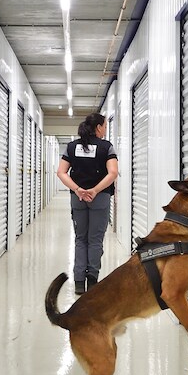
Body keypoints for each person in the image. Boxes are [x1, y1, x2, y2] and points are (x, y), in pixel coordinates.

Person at [56, 113, 119, 295]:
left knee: (80, 239)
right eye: (105, 126)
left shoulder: (72, 146)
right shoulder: (106, 147)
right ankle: (92, 281)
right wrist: (95, 190)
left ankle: (78, 282)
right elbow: (113, 173)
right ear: (98, 127)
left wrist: (78, 189)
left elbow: (61, 172)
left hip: (79, 198)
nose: (105, 130)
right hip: (99, 198)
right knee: (95, 240)